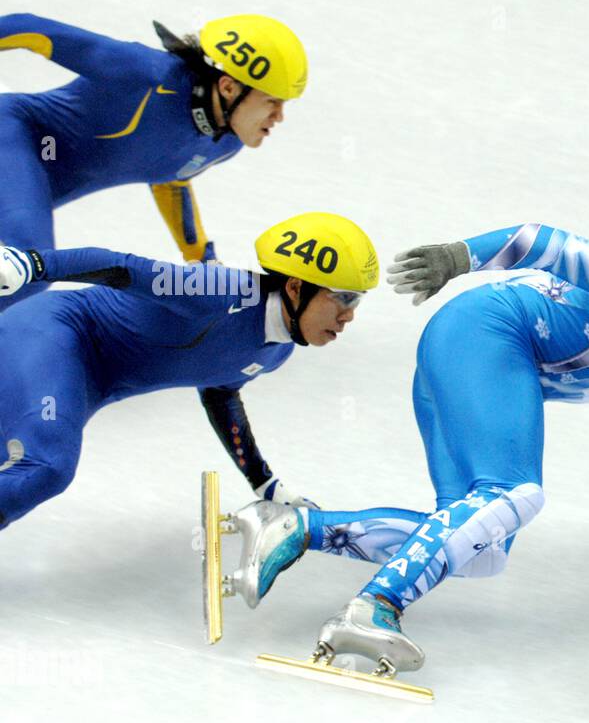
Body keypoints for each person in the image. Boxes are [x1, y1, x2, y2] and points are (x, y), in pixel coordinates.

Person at [221, 222, 589, 677]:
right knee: (516, 493)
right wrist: (460, 258)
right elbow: (543, 242)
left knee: (480, 548)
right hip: (487, 335)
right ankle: (372, 609)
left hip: (474, 358)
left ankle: (298, 528)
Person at [0, 212, 378, 529]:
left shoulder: (277, 352)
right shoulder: (221, 291)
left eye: (357, 301)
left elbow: (220, 393)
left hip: (86, 384)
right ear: (296, 287)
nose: (349, 316)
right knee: (47, 468)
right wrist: (32, 265)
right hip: (55, 333)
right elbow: (121, 267)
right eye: (342, 297)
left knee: (23, 474)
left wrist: (263, 482)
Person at [0, 12, 307, 304]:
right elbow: (32, 29)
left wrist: (202, 260)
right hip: (13, 131)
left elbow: (171, 179)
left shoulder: (225, 142)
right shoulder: (148, 74)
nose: (279, 116)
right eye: (272, 101)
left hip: (28, 186)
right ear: (228, 87)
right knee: (27, 272)